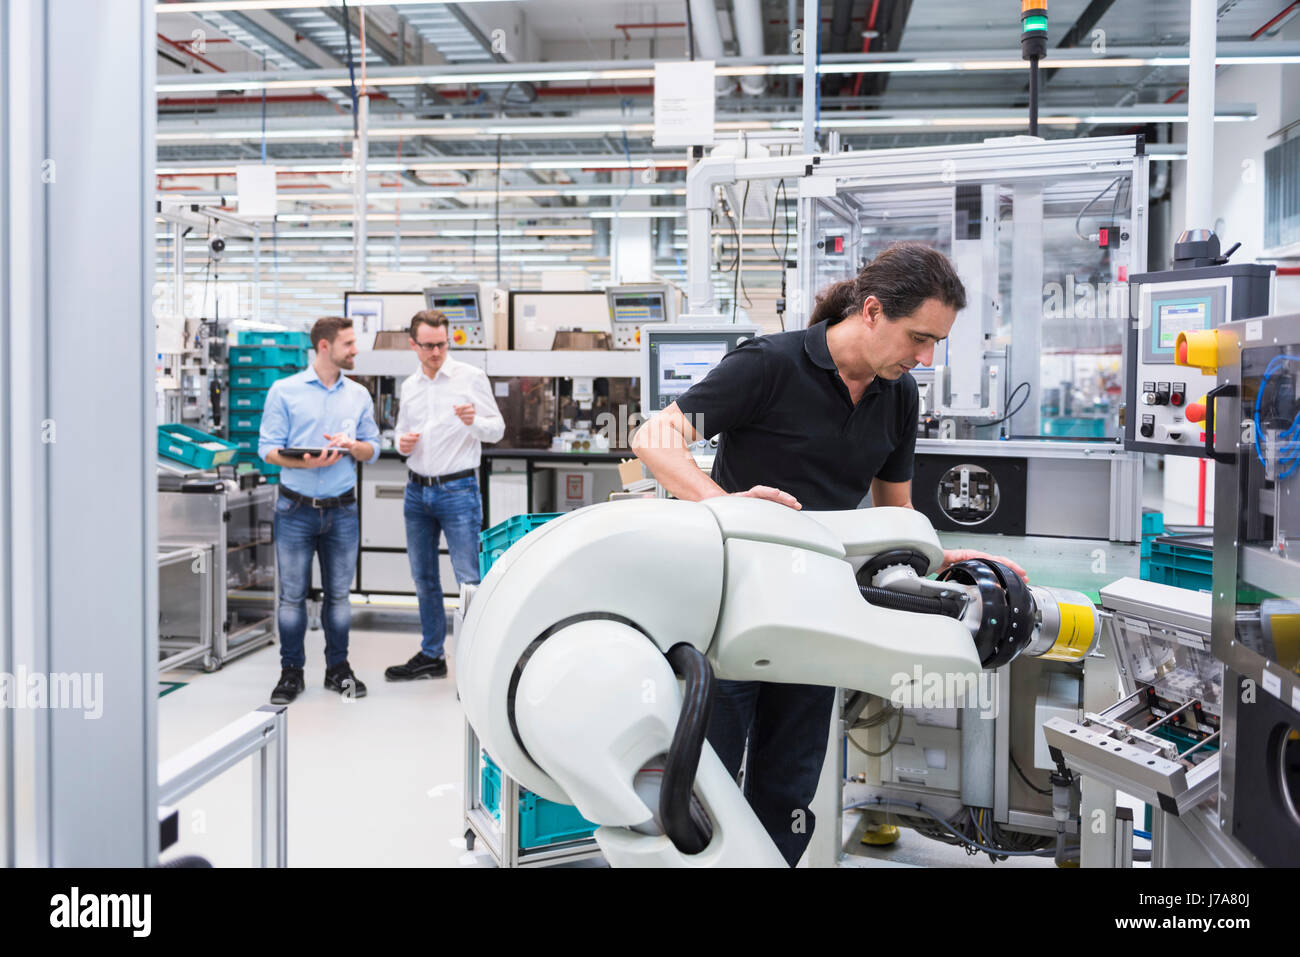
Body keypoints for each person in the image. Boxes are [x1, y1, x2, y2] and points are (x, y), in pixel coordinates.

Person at [631, 241, 1028, 866]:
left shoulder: (897, 395)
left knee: (789, 789)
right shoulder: (770, 363)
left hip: (817, 609)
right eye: (918, 339)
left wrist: (945, 559)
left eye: (934, 346)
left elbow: (895, 513)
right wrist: (726, 506)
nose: (924, 359)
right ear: (871, 311)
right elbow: (653, 438)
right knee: (703, 785)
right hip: (726, 607)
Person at [259, 316, 380, 705]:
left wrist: (354, 445)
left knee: (339, 598)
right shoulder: (284, 391)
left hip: (342, 511)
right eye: (348, 343)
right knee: (292, 598)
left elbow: (373, 449)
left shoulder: (359, 395)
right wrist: (302, 463)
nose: (355, 350)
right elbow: (268, 449)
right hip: (295, 509)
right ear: (324, 347)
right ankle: (291, 672)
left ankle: (337, 669)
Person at [384, 310, 504, 681]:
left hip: (458, 491)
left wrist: (474, 422)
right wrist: (400, 443)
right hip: (417, 492)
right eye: (428, 346)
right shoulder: (410, 386)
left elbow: (496, 430)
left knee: (469, 579)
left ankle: (477, 660)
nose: (436, 352)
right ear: (414, 345)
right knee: (424, 579)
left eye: (441, 344)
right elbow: (403, 436)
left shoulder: (471, 378)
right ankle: (432, 655)